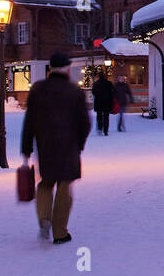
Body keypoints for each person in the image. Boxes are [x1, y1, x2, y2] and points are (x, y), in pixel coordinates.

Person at [20, 53, 90, 245]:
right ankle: (60, 232)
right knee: (64, 186)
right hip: (69, 145)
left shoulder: (38, 89)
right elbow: (84, 122)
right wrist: (80, 142)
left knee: (45, 183)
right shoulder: (74, 91)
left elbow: (30, 121)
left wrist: (26, 147)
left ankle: (44, 218)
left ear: (49, 69)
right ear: (67, 69)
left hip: (45, 145)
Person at [92, 71, 113, 136]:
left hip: (98, 102)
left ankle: (100, 129)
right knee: (106, 117)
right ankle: (106, 131)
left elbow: (93, 92)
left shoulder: (96, 84)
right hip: (107, 102)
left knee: (99, 116)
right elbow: (112, 92)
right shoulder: (109, 83)